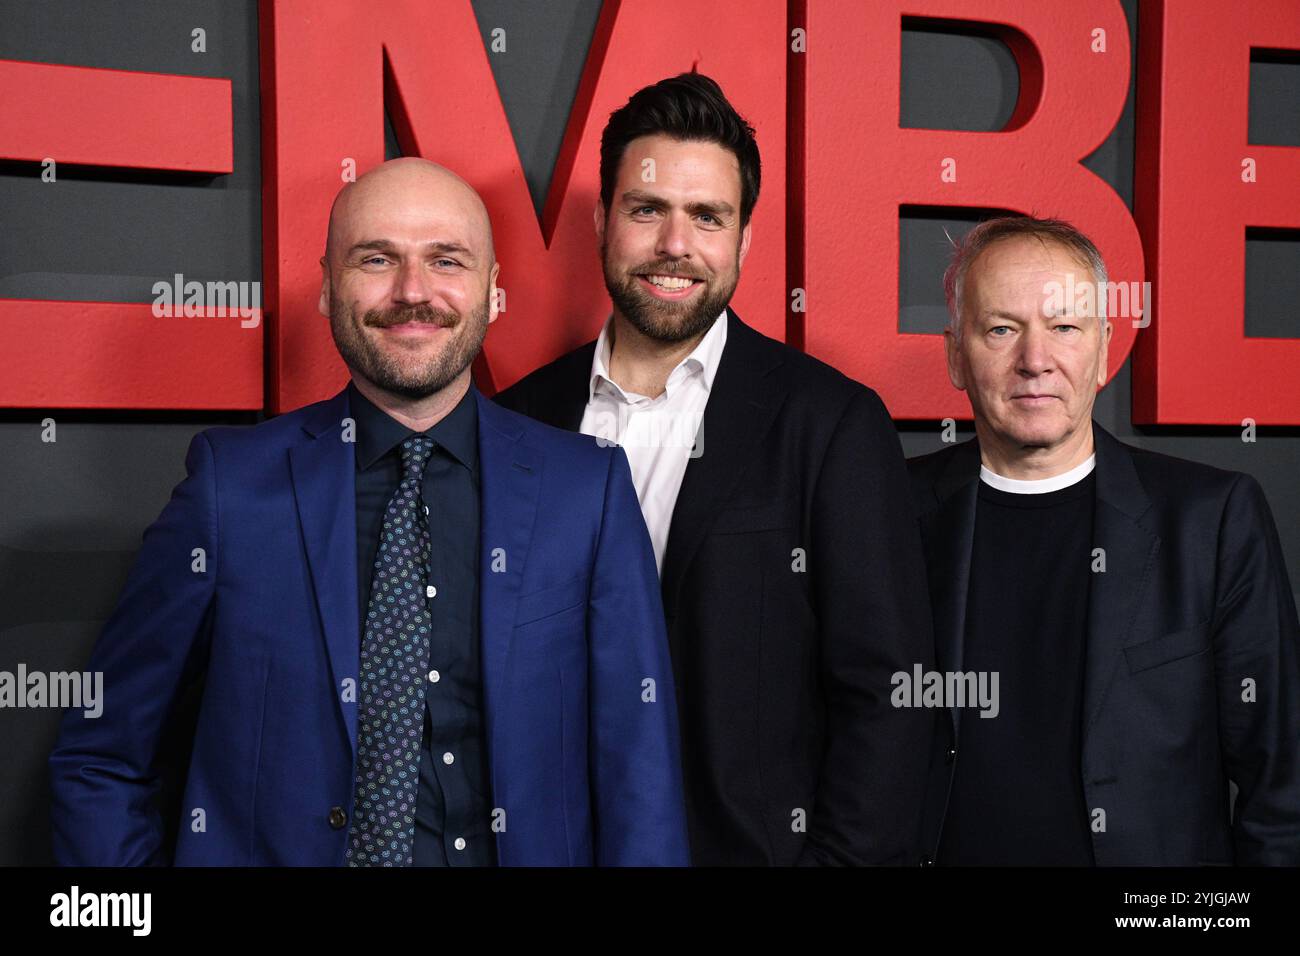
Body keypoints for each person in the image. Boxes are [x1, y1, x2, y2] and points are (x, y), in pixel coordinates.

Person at [49, 157, 689, 867]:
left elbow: (642, 783)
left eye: (446, 260)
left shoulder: (588, 491)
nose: (413, 292)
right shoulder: (228, 490)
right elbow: (101, 759)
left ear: (492, 290)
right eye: (377, 258)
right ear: (327, 287)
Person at [495, 73, 935, 865]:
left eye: (708, 216)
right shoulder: (518, 418)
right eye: (647, 210)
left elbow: (889, 700)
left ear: (744, 240)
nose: (676, 245)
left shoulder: (829, 424)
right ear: (602, 220)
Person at [908, 215, 1300, 865]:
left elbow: (1282, 787)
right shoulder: (885, 510)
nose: (1036, 360)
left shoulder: (1211, 520)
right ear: (955, 353)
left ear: (1104, 348)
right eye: (1001, 329)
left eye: (1064, 327)